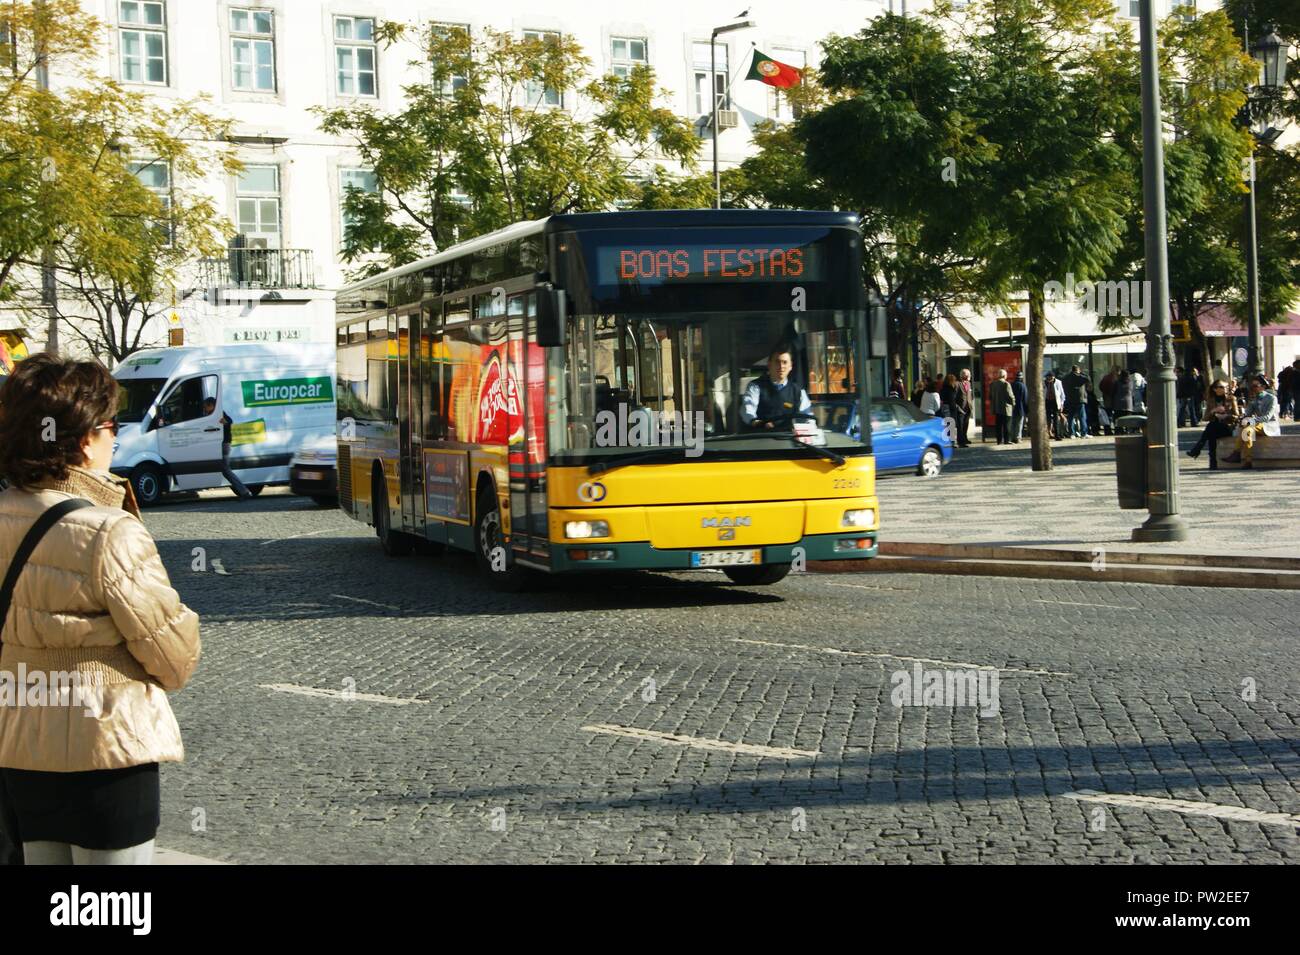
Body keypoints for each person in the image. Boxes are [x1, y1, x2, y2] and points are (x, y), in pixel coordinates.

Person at [0, 354, 200, 865]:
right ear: (86, 438)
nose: (116, 437)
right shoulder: (108, 530)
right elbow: (175, 659)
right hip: (108, 749)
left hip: (22, 751)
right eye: (111, 426)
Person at [740, 346, 812, 430]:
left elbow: (808, 417)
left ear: (790, 366)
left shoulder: (798, 391)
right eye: (777, 362)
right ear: (769, 365)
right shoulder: (755, 386)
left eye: (785, 362)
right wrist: (757, 422)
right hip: (761, 437)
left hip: (789, 438)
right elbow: (747, 410)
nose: (781, 366)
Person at [1222, 374, 1281, 467]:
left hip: (1269, 425)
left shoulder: (1272, 398)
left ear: (1263, 387)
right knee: (1247, 430)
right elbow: (1247, 414)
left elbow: (1267, 418)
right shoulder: (1254, 399)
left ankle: (1237, 453)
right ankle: (1248, 461)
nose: (1253, 388)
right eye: (1252, 386)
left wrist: (1250, 420)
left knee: (1247, 427)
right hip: (1256, 425)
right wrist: (1241, 418)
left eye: (1255, 386)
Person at [203, 397, 252, 499]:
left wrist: (225, 422)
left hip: (223, 444)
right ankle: (244, 491)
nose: (205, 409)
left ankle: (244, 492)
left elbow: (229, 421)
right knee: (225, 470)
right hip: (221, 444)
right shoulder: (213, 413)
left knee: (226, 470)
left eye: (206, 406)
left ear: (211, 405)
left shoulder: (218, 413)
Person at [1187, 379, 1238, 469]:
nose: (1225, 389)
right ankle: (1213, 464)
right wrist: (1213, 411)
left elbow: (1237, 416)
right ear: (1215, 389)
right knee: (1212, 431)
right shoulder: (1211, 400)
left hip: (1228, 427)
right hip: (1216, 427)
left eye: (1226, 387)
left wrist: (1226, 416)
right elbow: (1205, 418)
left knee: (1211, 428)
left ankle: (1198, 450)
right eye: (1221, 387)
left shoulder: (1231, 399)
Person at [1061, 364, 1090, 438]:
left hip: (1070, 399)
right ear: (1078, 370)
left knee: (1071, 417)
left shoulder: (1066, 377)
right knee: (1082, 417)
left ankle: (1072, 433)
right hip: (1079, 399)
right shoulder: (1080, 377)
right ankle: (1084, 433)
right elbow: (1088, 378)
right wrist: (1081, 373)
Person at [990, 368, 1014, 444]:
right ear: (1004, 376)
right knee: (1007, 426)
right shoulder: (1006, 384)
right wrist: (1013, 403)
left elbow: (990, 396)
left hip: (997, 408)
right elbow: (1010, 396)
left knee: (998, 426)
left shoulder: (993, 384)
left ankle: (999, 440)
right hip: (1006, 408)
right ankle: (1007, 440)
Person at [953, 369, 973, 447]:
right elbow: (954, 397)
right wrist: (957, 407)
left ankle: (965, 438)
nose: (970, 376)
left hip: (968, 407)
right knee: (960, 426)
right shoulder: (957, 384)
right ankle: (960, 442)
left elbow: (969, 394)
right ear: (965, 375)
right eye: (969, 374)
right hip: (960, 408)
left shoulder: (968, 383)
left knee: (966, 424)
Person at [1044, 371, 1066, 440]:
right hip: (1047, 402)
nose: (1049, 379)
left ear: (1053, 377)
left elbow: (1062, 394)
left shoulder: (1058, 382)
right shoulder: (1044, 383)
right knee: (1048, 419)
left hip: (1055, 402)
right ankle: (1048, 433)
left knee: (1056, 419)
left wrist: (1062, 404)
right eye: (1047, 378)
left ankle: (1057, 435)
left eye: (1050, 378)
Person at [1010, 371, 1028, 444]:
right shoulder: (1023, 386)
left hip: (1012, 408)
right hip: (1021, 408)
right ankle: (1018, 438)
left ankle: (1012, 437)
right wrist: (1026, 409)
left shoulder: (1011, 385)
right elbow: (1025, 399)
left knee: (1013, 423)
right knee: (1019, 424)